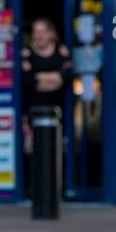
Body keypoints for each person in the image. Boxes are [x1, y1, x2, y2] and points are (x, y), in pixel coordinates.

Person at [20, 17, 72, 159]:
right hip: (33, 113)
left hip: (59, 113)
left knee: (56, 152)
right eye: (36, 31)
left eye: (43, 31)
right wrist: (53, 77)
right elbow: (30, 82)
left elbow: (65, 79)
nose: (39, 35)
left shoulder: (62, 51)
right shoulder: (26, 53)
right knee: (35, 153)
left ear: (50, 33)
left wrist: (39, 77)